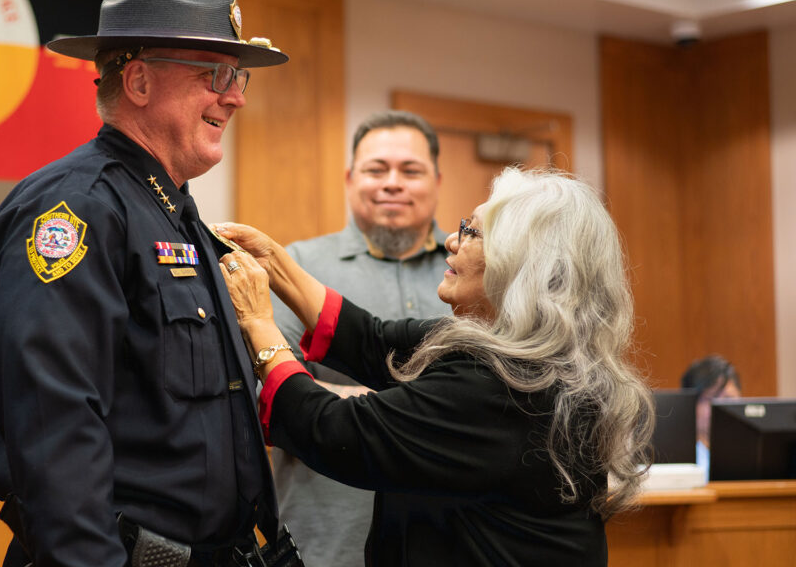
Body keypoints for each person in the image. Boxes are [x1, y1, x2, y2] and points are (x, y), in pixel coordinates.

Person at [0, 0, 293, 567]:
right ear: (140, 82)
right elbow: (56, 439)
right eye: (215, 73)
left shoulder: (177, 214)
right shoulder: (73, 210)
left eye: (238, 78)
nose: (234, 96)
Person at [215, 167, 654, 566]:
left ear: (521, 267)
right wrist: (277, 265)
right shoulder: (527, 356)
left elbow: (334, 432)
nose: (451, 239)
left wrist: (257, 323)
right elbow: (372, 340)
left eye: (472, 232)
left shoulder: (502, 386)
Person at [269, 109, 451, 567]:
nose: (393, 182)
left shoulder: (472, 272)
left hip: (456, 540)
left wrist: (341, 397)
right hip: (325, 543)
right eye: (376, 169)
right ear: (350, 179)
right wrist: (410, 410)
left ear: (437, 180)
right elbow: (267, 387)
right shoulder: (298, 268)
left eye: (410, 170)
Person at [680, 355, 742, 477]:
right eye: (710, 400)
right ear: (691, 404)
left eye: (728, 399)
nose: (721, 408)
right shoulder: (675, 455)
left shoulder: (751, 453)